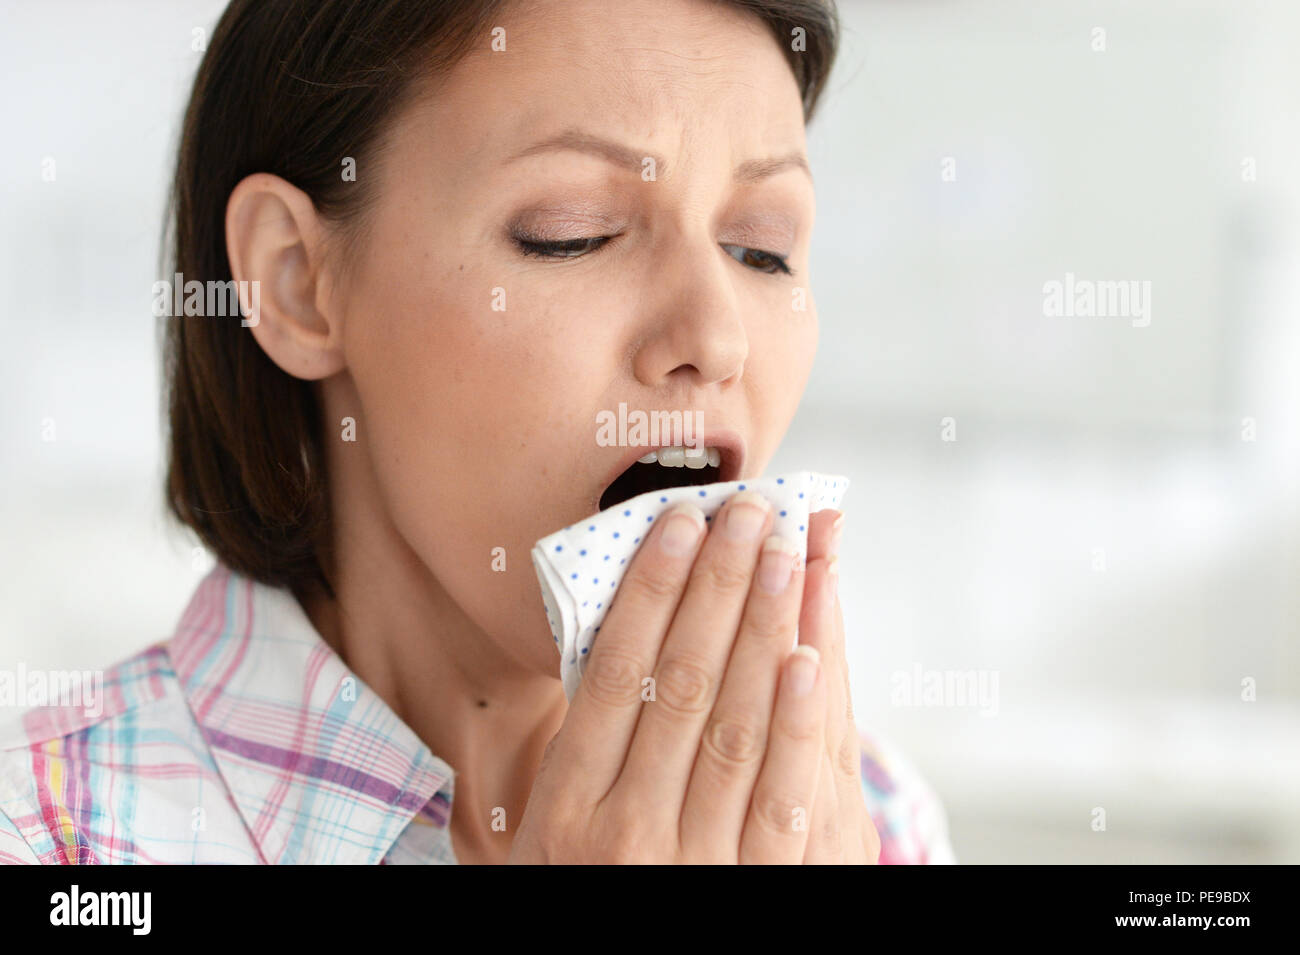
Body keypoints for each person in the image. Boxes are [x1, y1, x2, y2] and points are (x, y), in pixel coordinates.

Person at [0, 0, 954, 864]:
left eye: (764, 247)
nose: (715, 337)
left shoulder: (872, 820)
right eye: (570, 232)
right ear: (296, 280)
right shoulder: (51, 838)